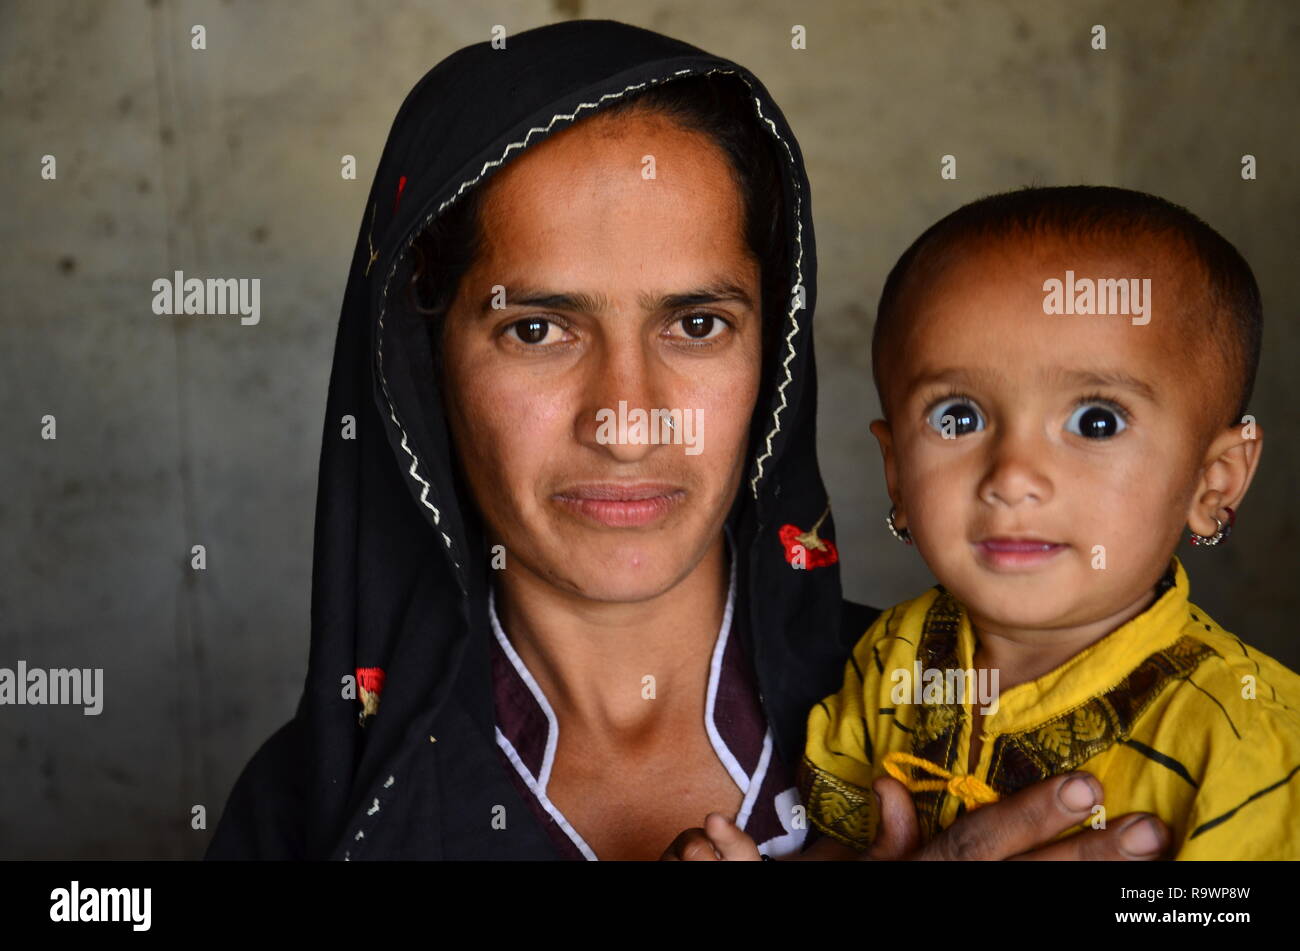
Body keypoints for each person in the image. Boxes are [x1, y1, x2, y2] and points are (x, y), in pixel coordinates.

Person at [207, 21, 1170, 861]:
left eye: (696, 324)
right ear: (425, 361)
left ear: (774, 351)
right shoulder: (311, 813)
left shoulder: (1026, 716)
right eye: (538, 329)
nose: (627, 421)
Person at [669, 186, 1300, 861]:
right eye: (958, 418)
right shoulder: (895, 655)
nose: (1012, 474)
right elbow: (844, 843)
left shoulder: (1247, 730)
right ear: (897, 473)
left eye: (1096, 421)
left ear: (1216, 480)